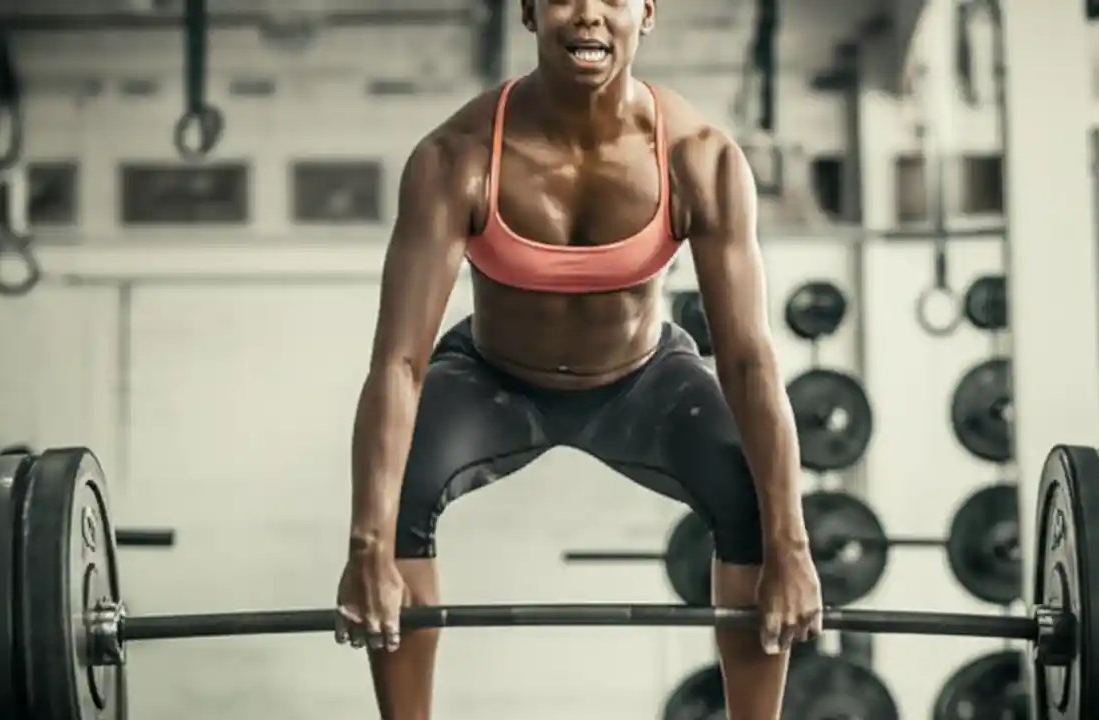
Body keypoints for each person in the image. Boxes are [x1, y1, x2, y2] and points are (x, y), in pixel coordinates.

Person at [334, 1, 823, 718]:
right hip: (492, 380)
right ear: (529, 11)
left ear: (646, 13)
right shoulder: (456, 157)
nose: (589, 15)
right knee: (394, 491)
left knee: (755, 498)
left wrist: (794, 548)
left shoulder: (702, 159)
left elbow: (748, 361)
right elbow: (399, 364)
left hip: (645, 380)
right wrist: (366, 549)